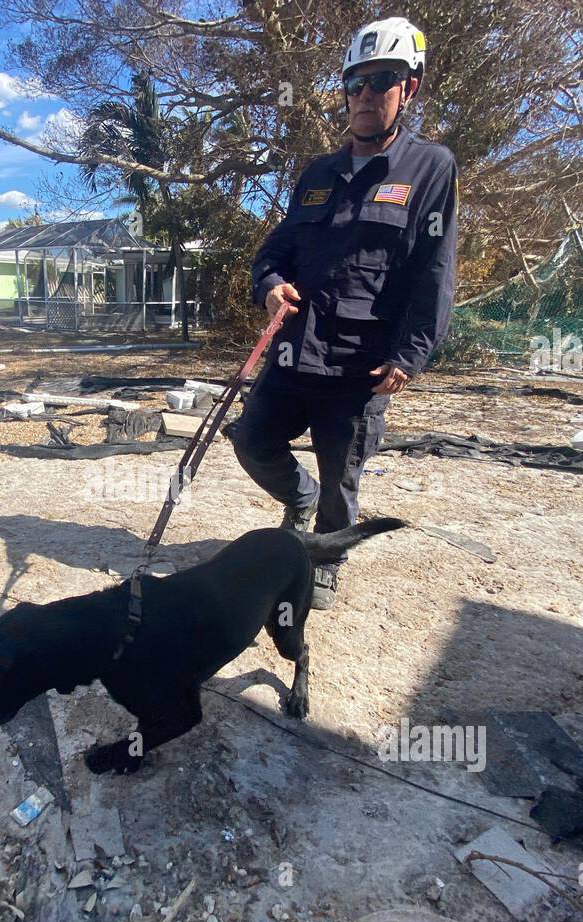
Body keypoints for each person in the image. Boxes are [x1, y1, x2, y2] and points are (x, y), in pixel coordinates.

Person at [230, 16, 458, 608]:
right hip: (295, 347)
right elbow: (276, 249)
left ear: (407, 89)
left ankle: (326, 556)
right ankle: (297, 499)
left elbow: (436, 269)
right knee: (252, 440)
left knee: (343, 473)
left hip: (361, 361)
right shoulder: (317, 174)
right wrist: (271, 285)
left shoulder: (430, 168)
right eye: (353, 83)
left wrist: (412, 353)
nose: (362, 95)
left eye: (379, 80)